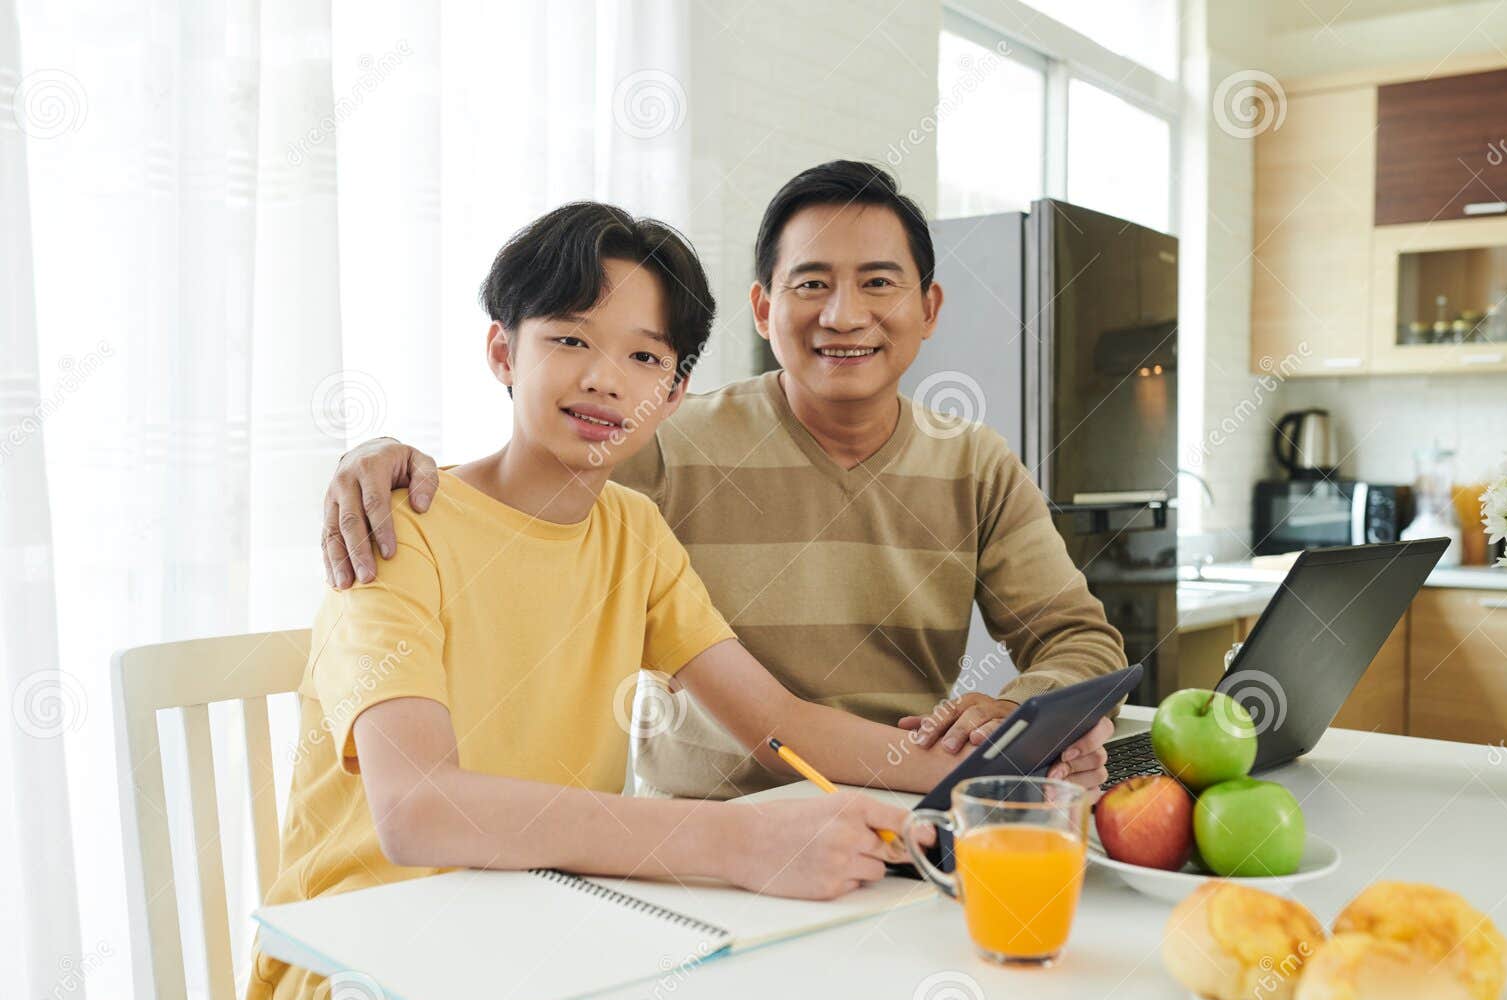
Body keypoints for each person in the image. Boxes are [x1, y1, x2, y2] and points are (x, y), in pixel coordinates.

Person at [246, 202, 960, 1000]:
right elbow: (417, 810)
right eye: (571, 340)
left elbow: (780, 723)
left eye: (645, 356)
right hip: (366, 996)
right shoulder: (403, 529)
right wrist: (732, 843)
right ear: (503, 351)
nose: (606, 379)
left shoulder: (634, 531)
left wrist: (989, 770)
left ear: (674, 392)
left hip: (551, 942)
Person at [319, 160, 1126, 804]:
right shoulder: (668, 441)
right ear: (764, 307)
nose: (844, 315)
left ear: (929, 307)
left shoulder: (976, 464)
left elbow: (1078, 639)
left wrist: (1018, 737)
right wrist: (385, 456)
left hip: (897, 803)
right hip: (693, 833)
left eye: (878, 282)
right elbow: (529, 474)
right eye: (811, 283)